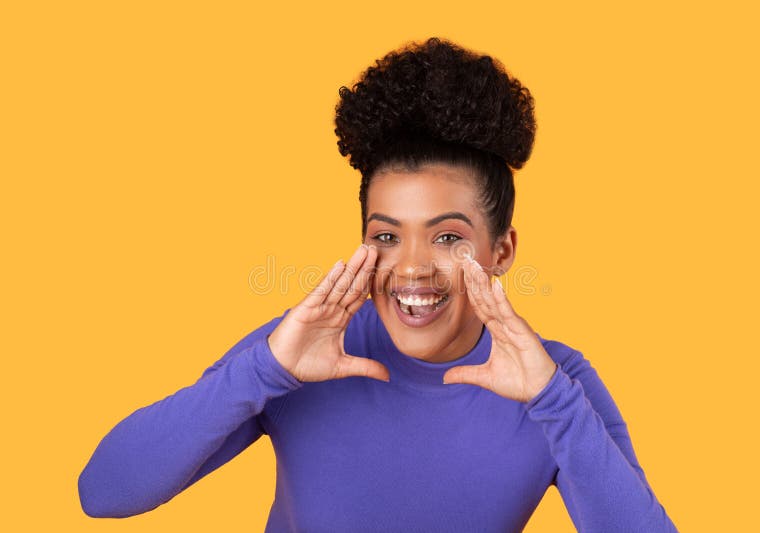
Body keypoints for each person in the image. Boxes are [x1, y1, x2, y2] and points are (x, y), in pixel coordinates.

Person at [78, 37, 679, 532]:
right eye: (387, 236)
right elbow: (103, 492)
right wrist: (260, 371)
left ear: (502, 251)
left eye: (447, 237)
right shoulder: (304, 352)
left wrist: (554, 403)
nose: (411, 268)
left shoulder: (554, 384)